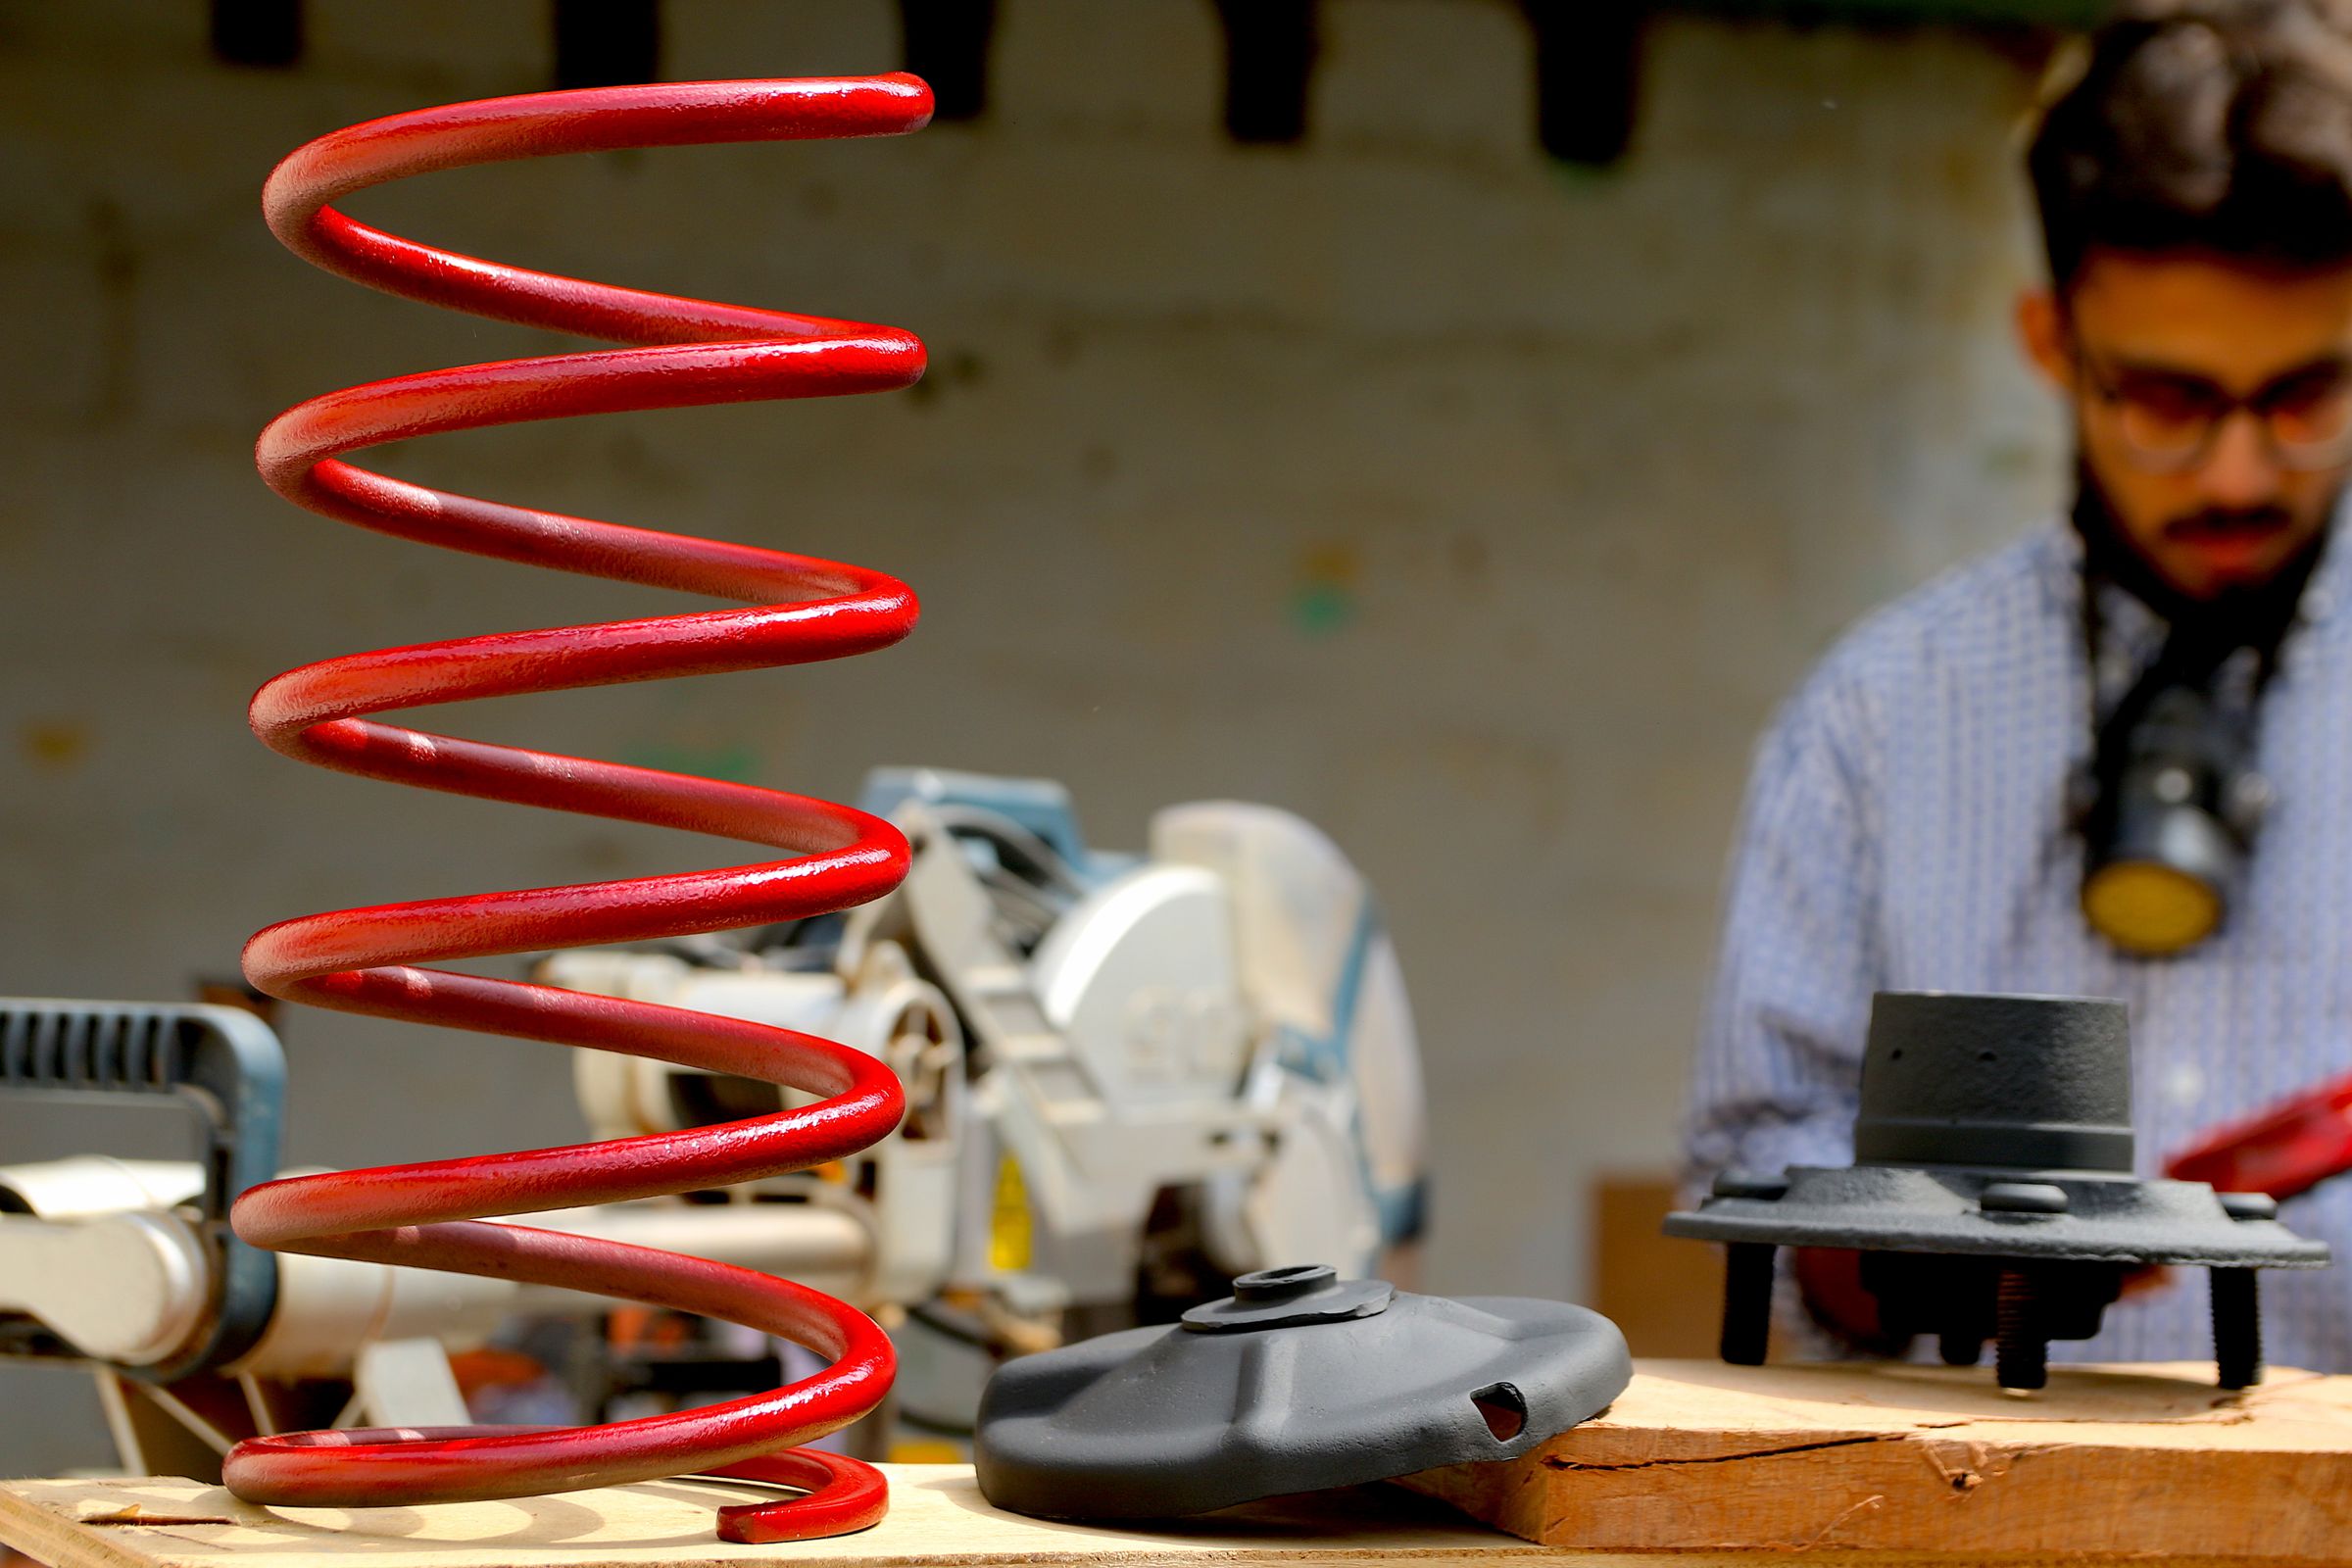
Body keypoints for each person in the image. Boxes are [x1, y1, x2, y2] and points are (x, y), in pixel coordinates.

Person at [1684, 0, 2352, 1370]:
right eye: (2167, 403)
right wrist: (1926, 1256)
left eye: (2305, 397)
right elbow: (1752, 1157)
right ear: (2054, 347)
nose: (2238, 475)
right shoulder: (1878, 717)